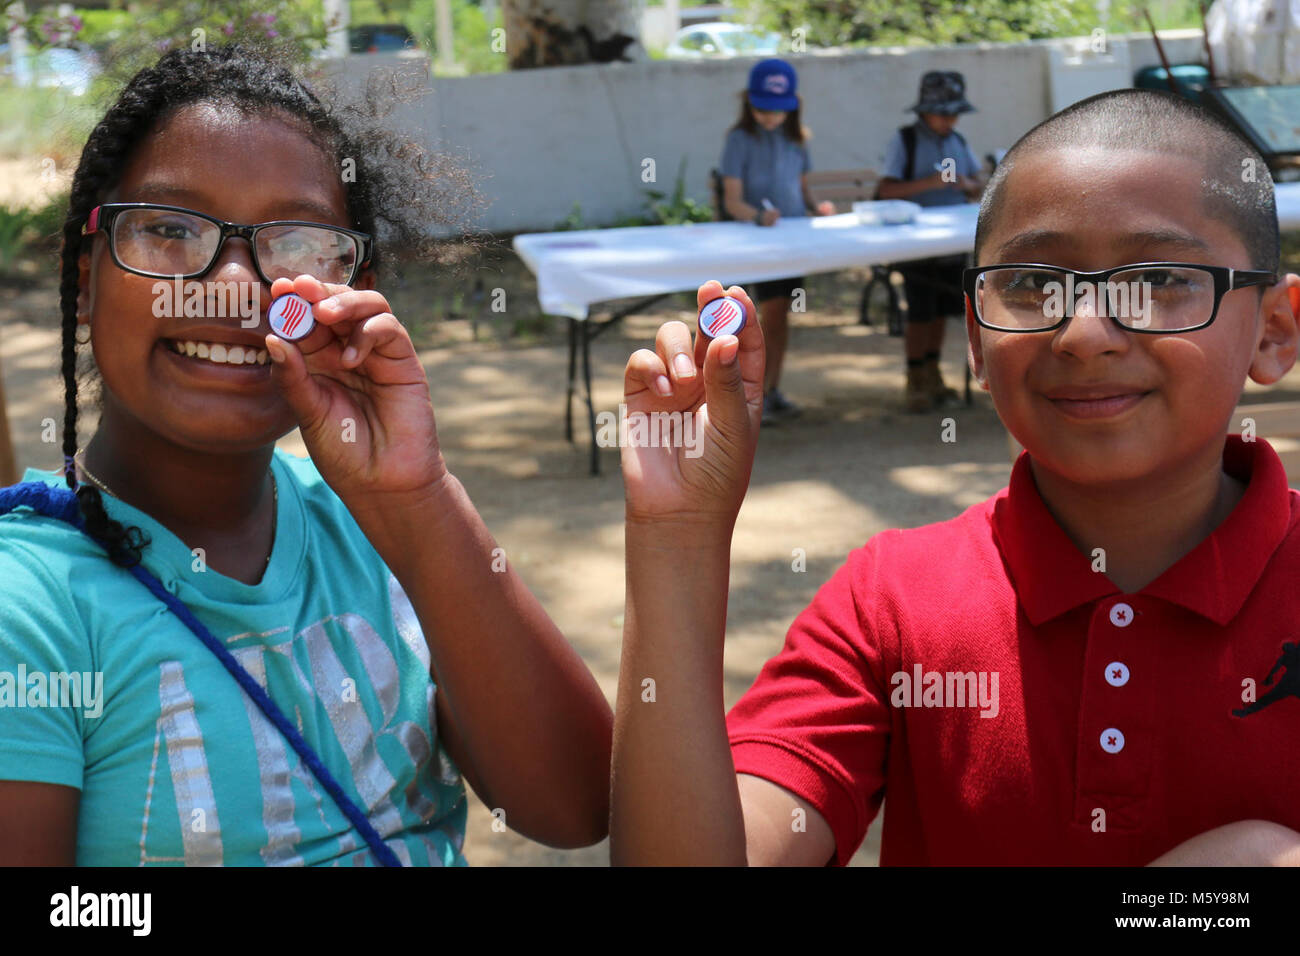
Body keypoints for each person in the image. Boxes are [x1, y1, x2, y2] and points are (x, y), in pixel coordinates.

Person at [610, 88, 1300, 865]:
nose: (1083, 333)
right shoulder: (894, 601)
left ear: (1273, 330)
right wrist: (676, 539)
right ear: (975, 341)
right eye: (1035, 284)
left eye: (1163, 278)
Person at [0, 44, 612, 866]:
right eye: (172, 230)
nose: (231, 283)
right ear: (86, 279)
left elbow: (574, 807)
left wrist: (420, 504)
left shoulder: (385, 534)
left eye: (294, 244)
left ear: (354, 293)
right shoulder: (27, 605)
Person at [719, 58, 835, 425]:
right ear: (748, 104)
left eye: (778, 111)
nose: (770, 117)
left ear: (792, 107)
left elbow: (801, 189)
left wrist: (818, 209)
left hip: (793, 241)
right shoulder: (739, 140)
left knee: (780, 317)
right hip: (755, 243)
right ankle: (749, 395)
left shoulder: (797, 139)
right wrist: (756, 216)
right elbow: (731, 199)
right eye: (762, 109)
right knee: (756, 318)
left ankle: (771, 389)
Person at [876, 71, 986, 412]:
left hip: (951, 243)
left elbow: (976, 184)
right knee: (919, 312)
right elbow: (886, 191)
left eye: (954, 114)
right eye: (943, 113)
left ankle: (934, 372)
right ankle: (915, 378)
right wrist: (932, 183)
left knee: (943, 310)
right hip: (915, 243)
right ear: (925, 111)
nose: (949, 120)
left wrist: (967, 184)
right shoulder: (905, 140)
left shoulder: (958, 141)